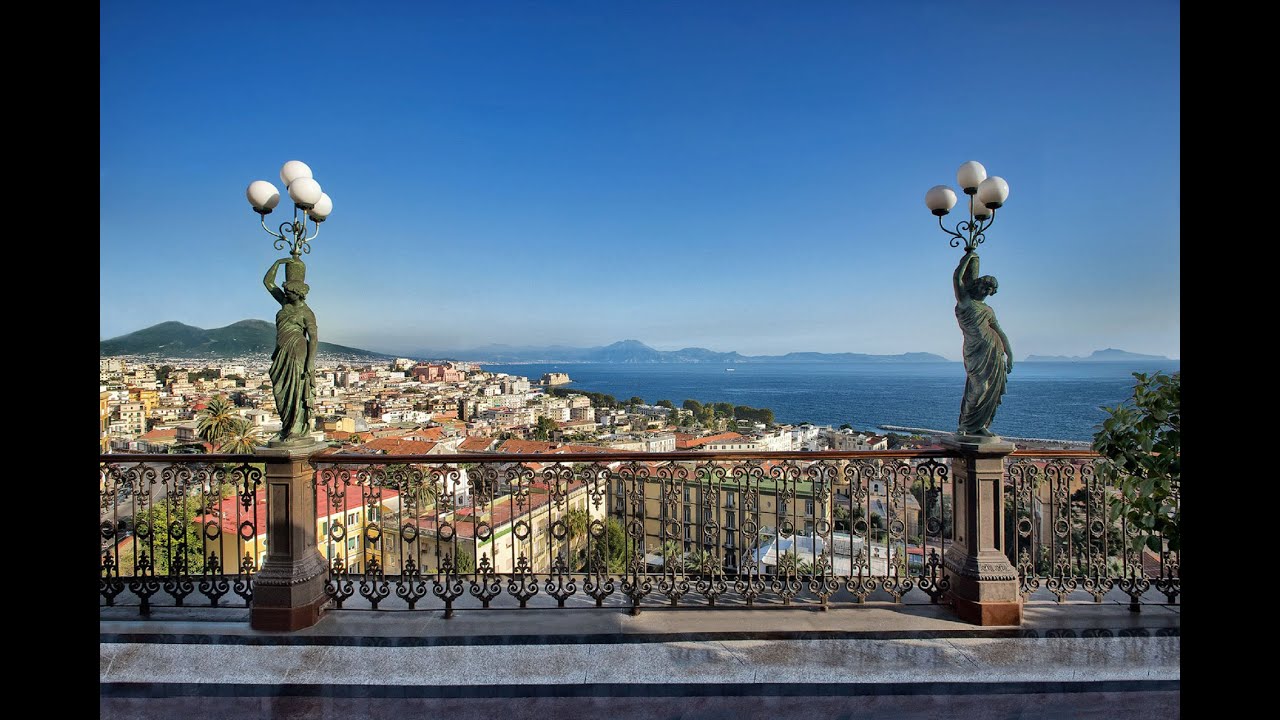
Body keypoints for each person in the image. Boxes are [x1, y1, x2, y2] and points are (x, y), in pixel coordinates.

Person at [952, 249, 1013, 437]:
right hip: (975, 351)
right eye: (985, 287)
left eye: (990, 290)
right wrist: (969, 257)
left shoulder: (988, 309)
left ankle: (980, 425)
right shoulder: (965, 301)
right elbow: (957, 279)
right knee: (979, 387)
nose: (986, 292)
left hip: (994, 350)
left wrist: (1009, 353)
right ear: (977, 285)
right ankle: (965, 425)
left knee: (990, 392)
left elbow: (999, 331)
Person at [263, 257, 318, 443]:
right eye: (285, 291)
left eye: (289, 291)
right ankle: (286, 426)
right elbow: (268, 282)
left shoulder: (307, 313)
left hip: (298, 351)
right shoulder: (285, 303)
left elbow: (314, 338)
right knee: (281, 389)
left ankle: (295, 429)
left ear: (299, 293)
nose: (285, 293)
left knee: (295, 389)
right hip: (281, 351)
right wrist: (278, 263)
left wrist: (310, 362)